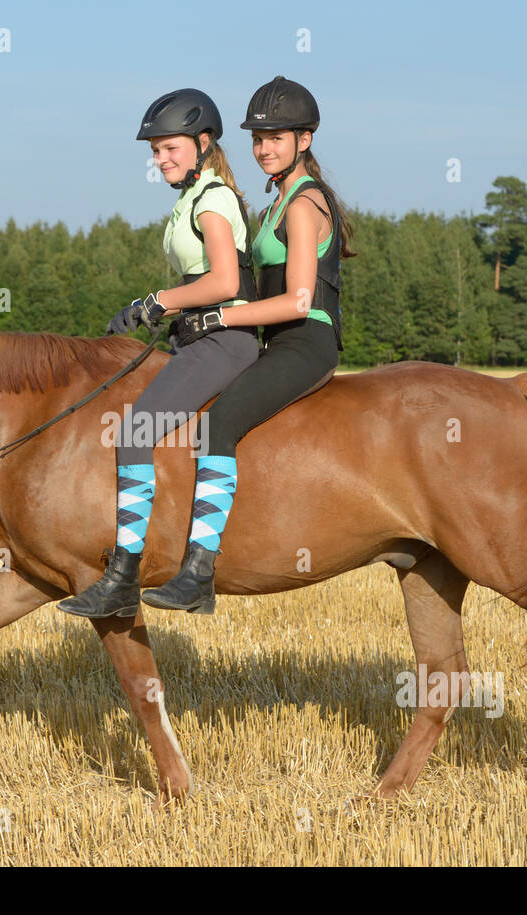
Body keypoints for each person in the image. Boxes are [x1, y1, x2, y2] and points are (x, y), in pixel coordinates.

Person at [141, 76, 356, 614]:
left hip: (305, 342)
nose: (264, 148)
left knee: (218, 423)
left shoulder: (304, 204)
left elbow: (298, 301)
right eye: (258, 139)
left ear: (304, 140)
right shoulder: (278, 198)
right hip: (276, 343)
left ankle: (198, 573)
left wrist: (220, 313)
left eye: (276, 138)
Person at [57, 89, 260, 619]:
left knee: (136, 431)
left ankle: (128, 576)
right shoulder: (190, 200)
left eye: (169, 148)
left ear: (203, 143)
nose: (160, 159)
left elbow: (224, 280)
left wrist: (156, 302)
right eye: (154, 151)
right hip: (196, 337)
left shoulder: (213, 199)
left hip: (225, 340)